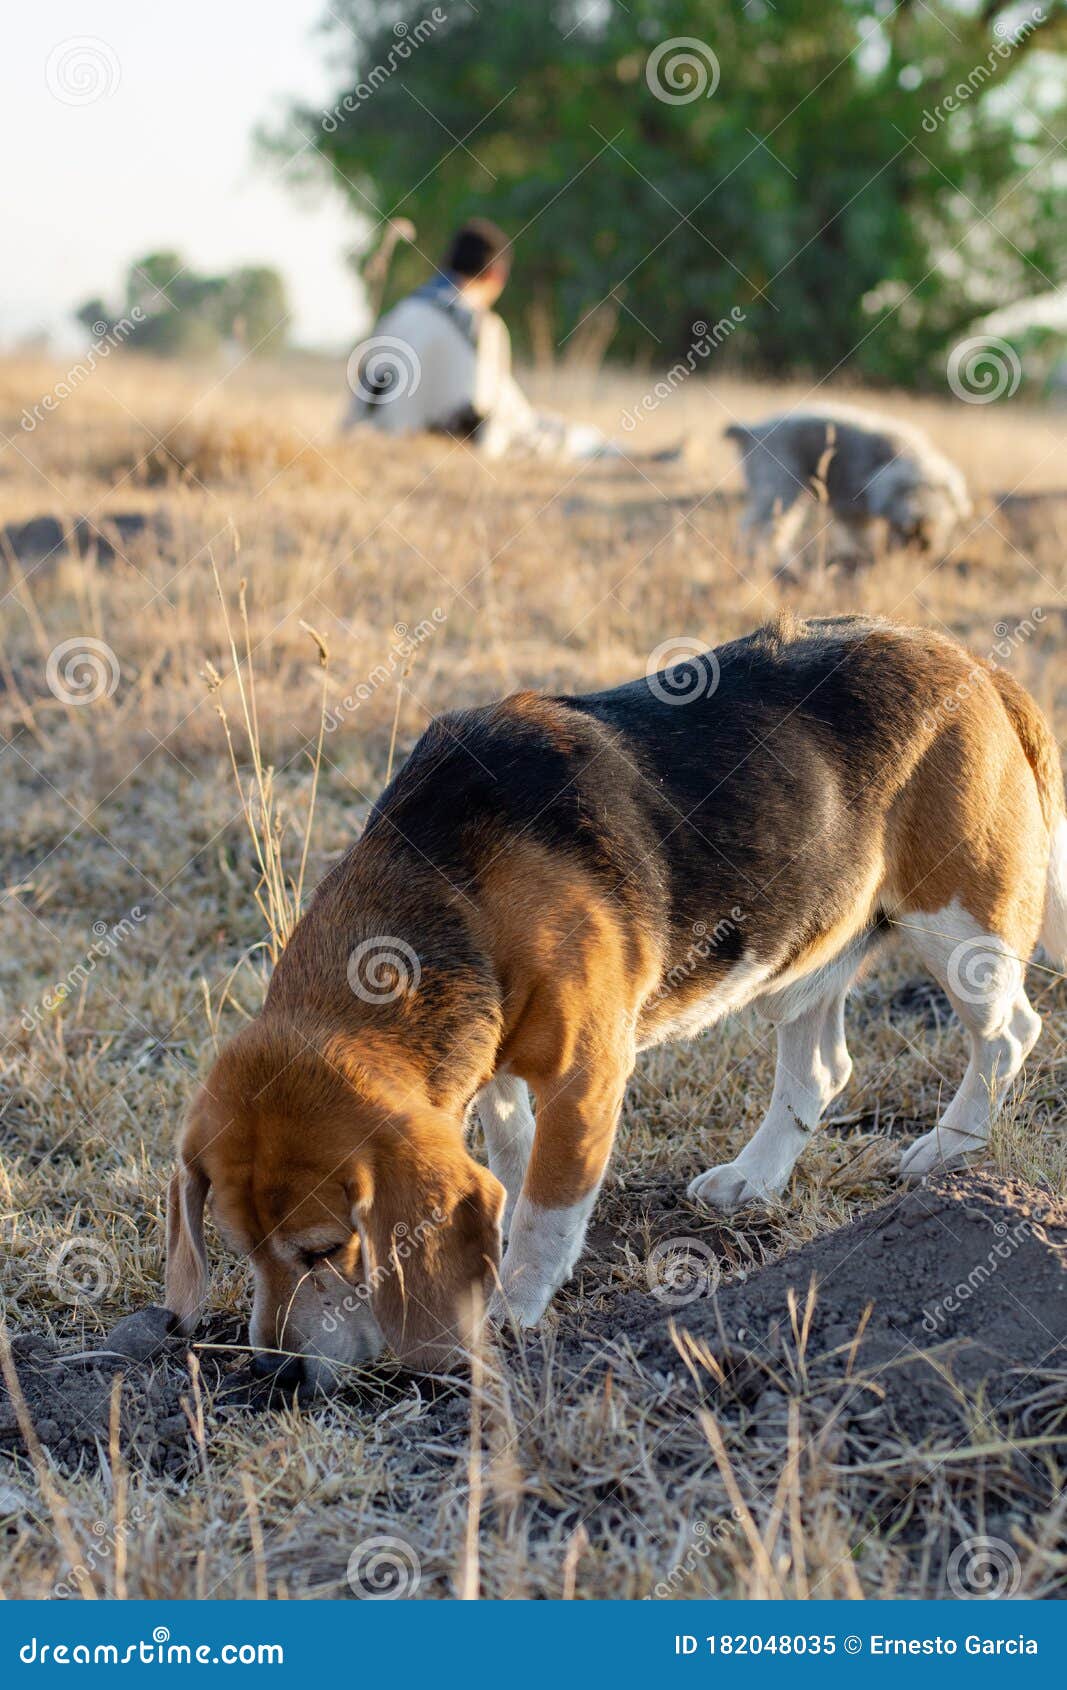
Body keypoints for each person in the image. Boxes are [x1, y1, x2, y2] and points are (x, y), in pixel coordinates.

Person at [342, 218, 620, 460]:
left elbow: (358, 410)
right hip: (451, 447)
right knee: (570, 438)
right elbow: (493, 423)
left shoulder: (399, 313)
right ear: (497, 275)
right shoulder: (481, 325)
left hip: (384, 443)